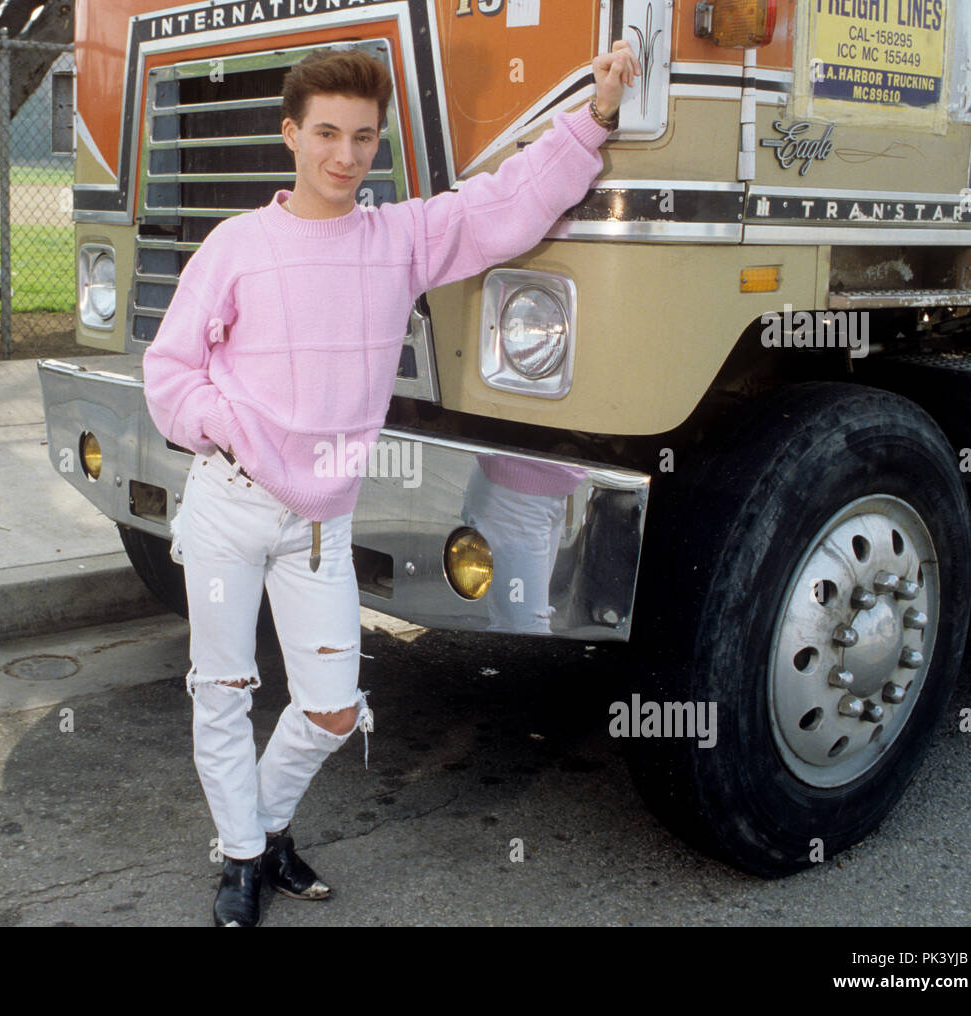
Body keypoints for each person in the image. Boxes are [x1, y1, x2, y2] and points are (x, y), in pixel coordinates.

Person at [142, 41, 639, 927]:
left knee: (333, 710)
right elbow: (170, 376)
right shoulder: (238, 245)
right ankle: (248, 859)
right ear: (289, 135)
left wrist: (593, 120)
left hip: (321, 528)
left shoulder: (397, 240)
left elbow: (504, 206)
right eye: (326, 133)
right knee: (220, 694)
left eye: (364, 138)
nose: (344, 155)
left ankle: (254, 830)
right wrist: (234, 426)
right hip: (227, 508)